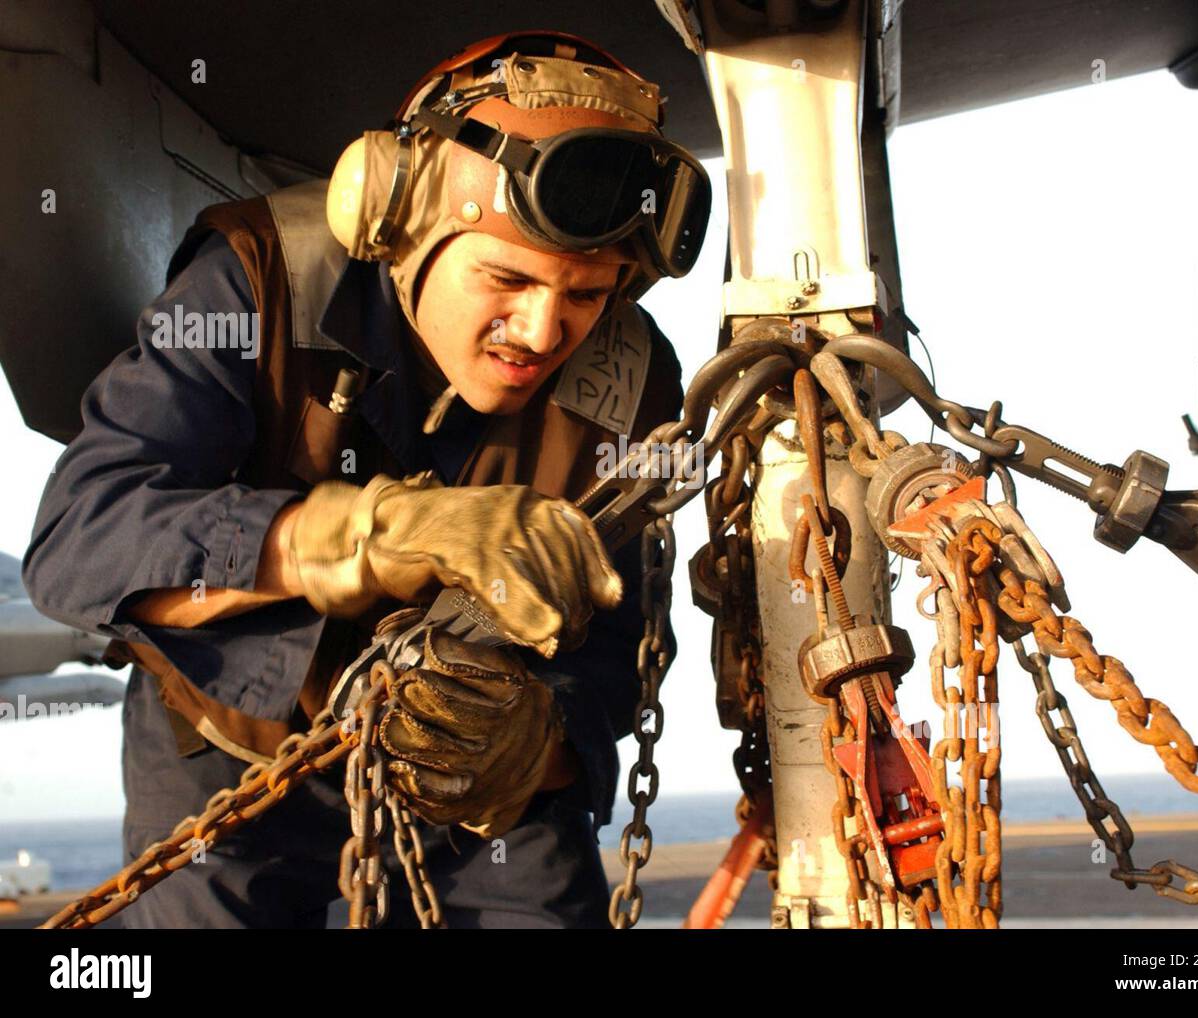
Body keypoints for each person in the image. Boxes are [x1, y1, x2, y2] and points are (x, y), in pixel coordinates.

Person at [22, 30, 711, 929]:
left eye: (586, 295)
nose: (543, 332)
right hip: (234, 744)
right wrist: (359, 539)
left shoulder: (629, 378)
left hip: (478, 768)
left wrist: (531, 745)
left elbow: (618, 645)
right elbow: (82, 539)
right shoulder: (260, 283)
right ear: (399, 223)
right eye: (506, 278)